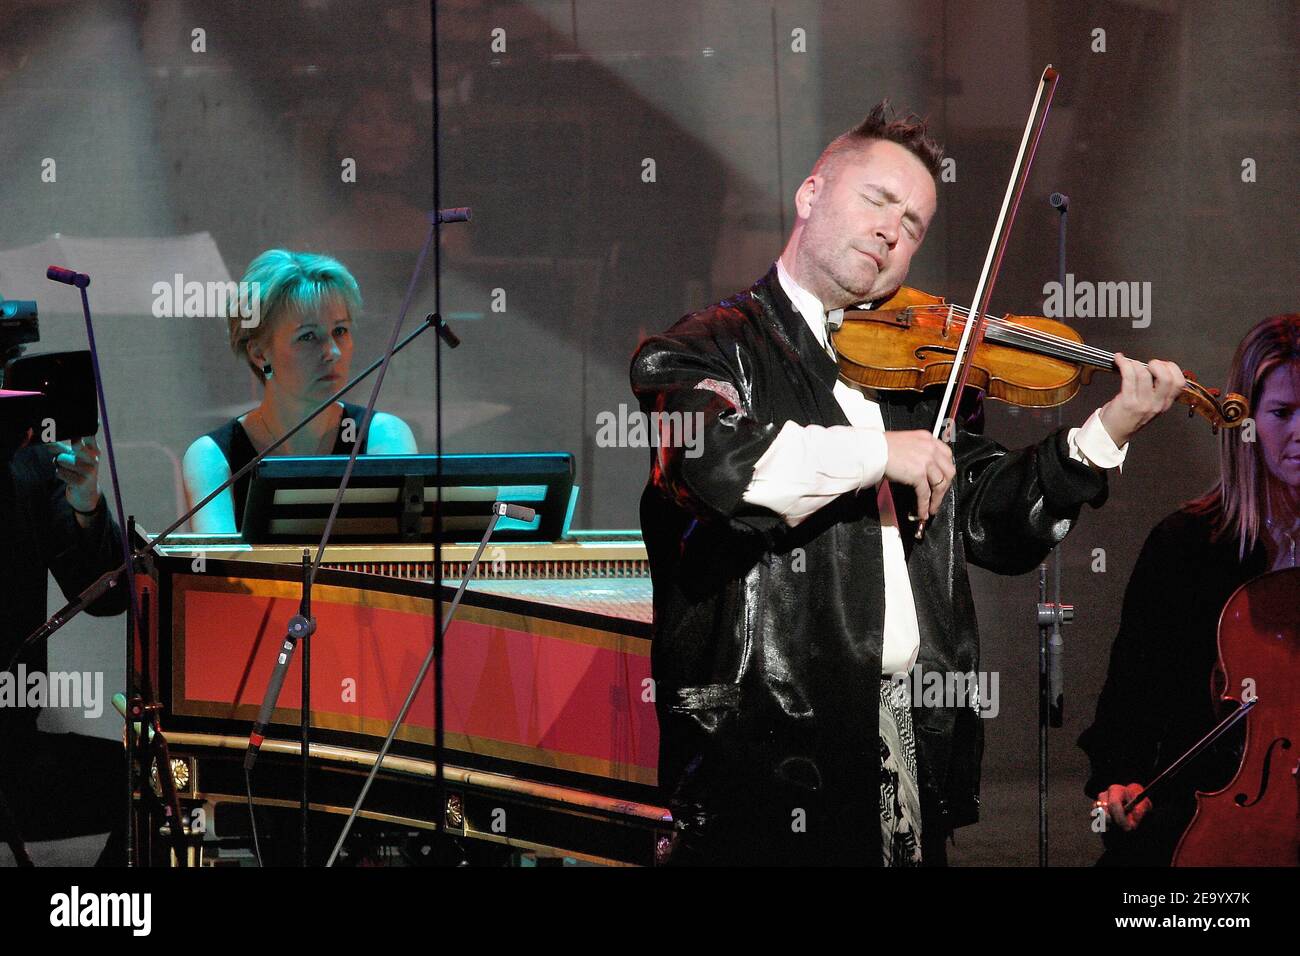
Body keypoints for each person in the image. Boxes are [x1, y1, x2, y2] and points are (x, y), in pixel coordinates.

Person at [629, 102, 1187, 866]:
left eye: (916, 224)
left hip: (909, 734)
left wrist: (1103, 434)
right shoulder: (700, 349)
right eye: (877, 201)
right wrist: (878, 452)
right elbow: (719, 467)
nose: (894, 230)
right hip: (766, 746)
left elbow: (994, 525)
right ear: (811, 193)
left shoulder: (921, 373)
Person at [1079, 313, 1300, 865]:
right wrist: (1120, 781)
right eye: (1281, 413)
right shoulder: (1187, 545)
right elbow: (1133, 692)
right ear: (1246, 423)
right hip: (1222, 801)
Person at [182, 249, 417, 533]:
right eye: (308, 337)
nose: (331, 352)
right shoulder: (214, 456)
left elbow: (405, 565)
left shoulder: (384, 437)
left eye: (340, 331)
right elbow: (216, 575)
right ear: (259, 353)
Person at [0, 424, 129, 866]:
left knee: (146, 779)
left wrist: (86, 508)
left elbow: (109, 598)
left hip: (11, 746)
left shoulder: (34, 462)